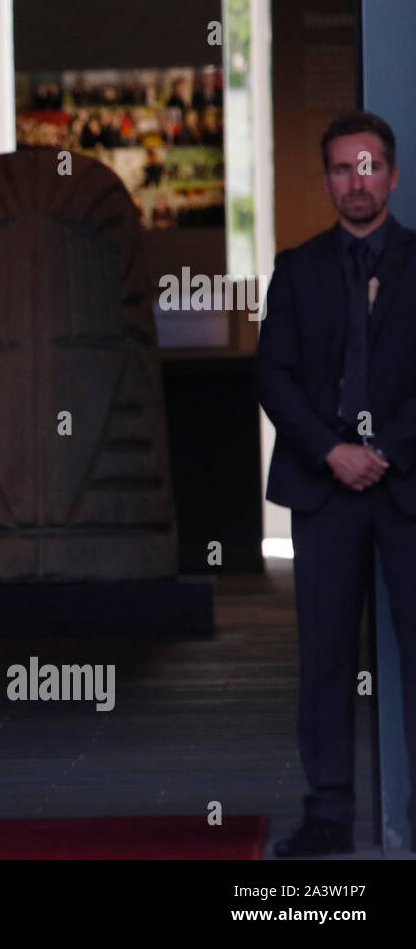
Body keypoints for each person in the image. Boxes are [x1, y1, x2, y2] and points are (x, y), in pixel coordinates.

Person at [258, 111, 416, 856]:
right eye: (341, 168)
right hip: (324, 489)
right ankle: (327, 812)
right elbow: (274, 377)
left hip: (407, 484)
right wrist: (334, 450)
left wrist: (382, 448)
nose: (357, 180)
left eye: (369, 165)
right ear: (326, 179)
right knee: (324, 656)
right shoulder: (297, 268)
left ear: (391, 173)